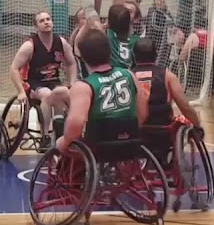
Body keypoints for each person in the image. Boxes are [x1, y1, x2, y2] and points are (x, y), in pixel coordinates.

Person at [55, 29, 148, 157]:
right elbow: (143, 111)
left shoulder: (83, 86)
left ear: (83, 57)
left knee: (62, 139)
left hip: (97, 146)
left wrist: (64, 142)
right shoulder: (129, 75)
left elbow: (76, 123)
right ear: (110, 52)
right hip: (130, 140)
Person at [9, 11, 78, 149]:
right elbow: (14, 68)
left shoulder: (61, 42)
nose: (46, 22)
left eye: (48, 19)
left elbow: (72, 63)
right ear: (36, 27)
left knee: (65, 93)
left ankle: (62, 133)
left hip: (53, 80)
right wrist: (20, 91)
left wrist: (73, 83)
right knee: (47, 95)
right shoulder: (29, 45)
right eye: (42, 21)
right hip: (33, 82)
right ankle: (45, 136)